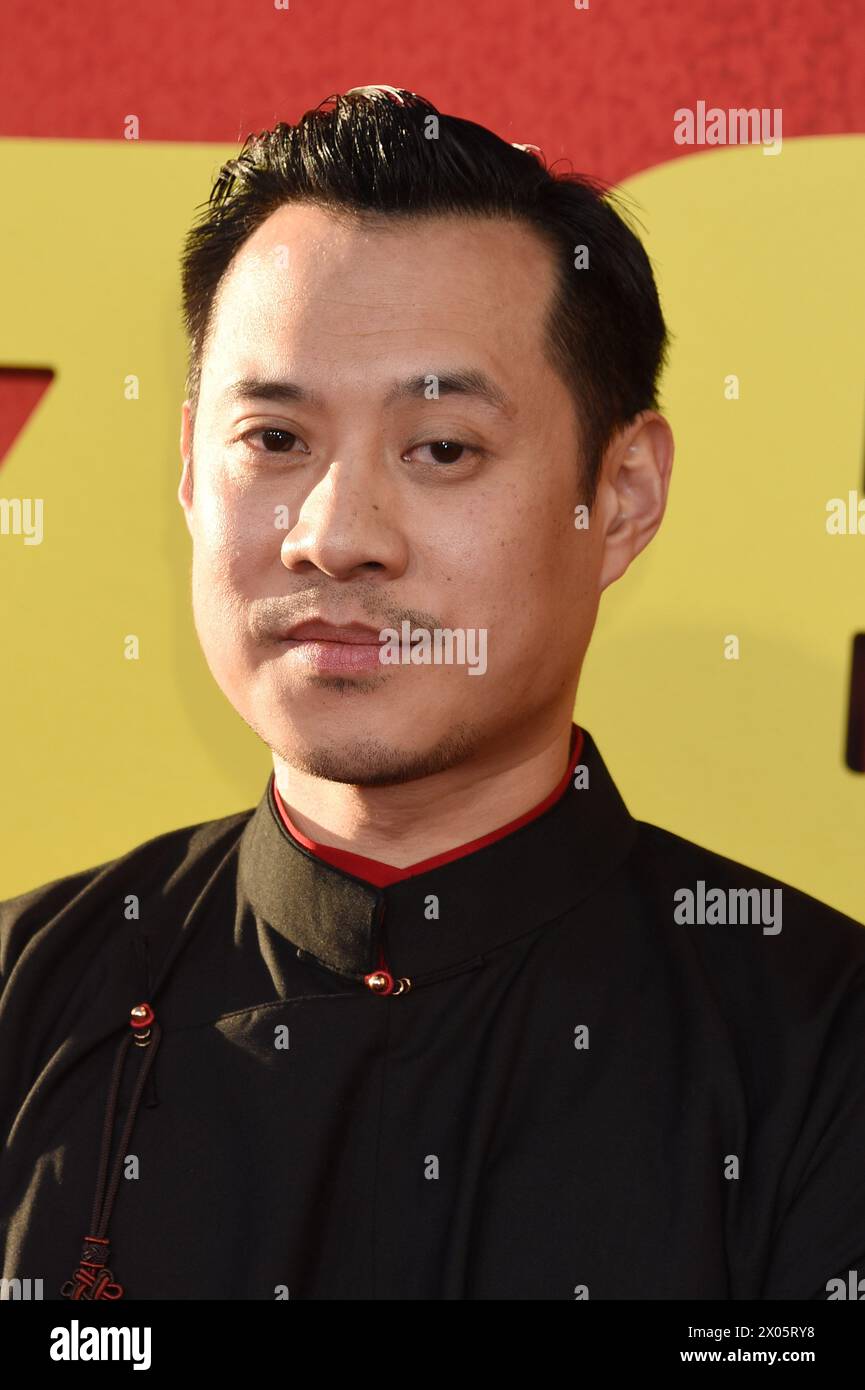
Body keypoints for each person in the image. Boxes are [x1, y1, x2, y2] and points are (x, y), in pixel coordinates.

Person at [2, 86, 863, 1302]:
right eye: (275, 441)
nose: (334, 536)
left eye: (442, 448)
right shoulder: (27, 995)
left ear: (617, 497)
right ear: (190, 470)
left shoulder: (820, 1048)